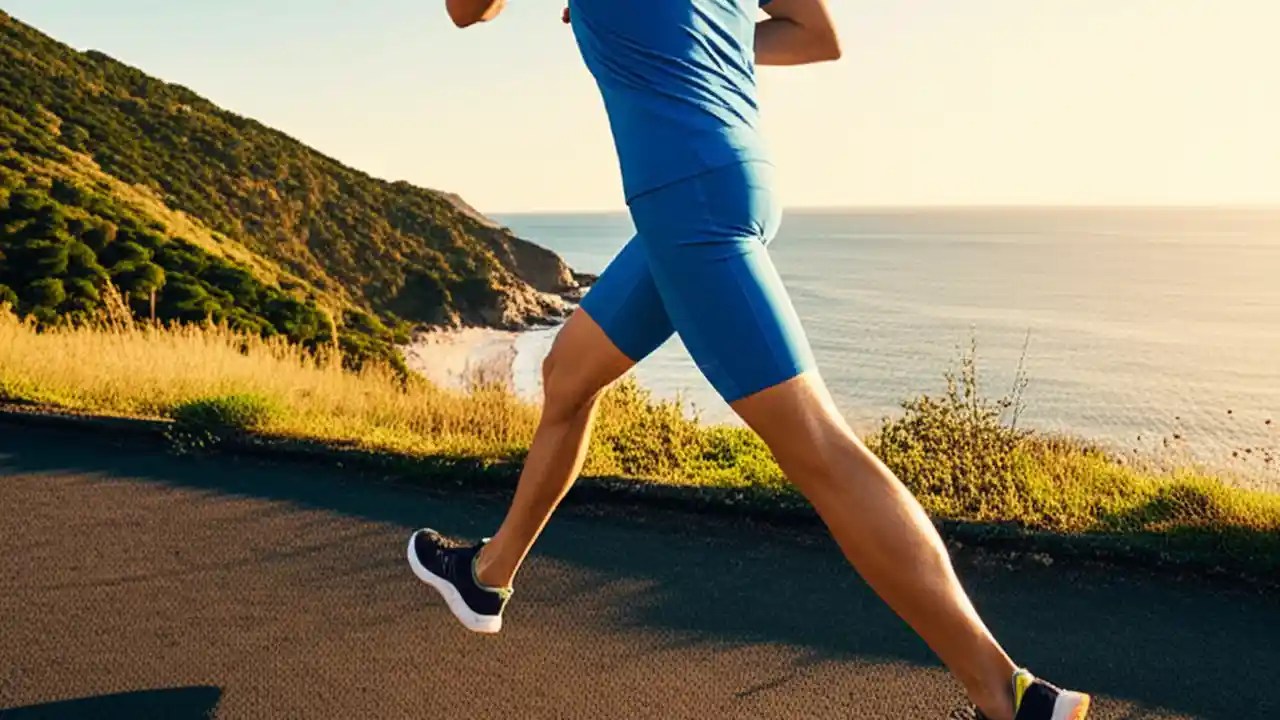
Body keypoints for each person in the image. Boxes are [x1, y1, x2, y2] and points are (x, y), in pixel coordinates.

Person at [406, 1, 1091, 718]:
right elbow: (817, 36)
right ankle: (488, 576)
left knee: (819, 449)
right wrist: (700, 38)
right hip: (735, 179)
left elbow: (466, 11)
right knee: (567, 375)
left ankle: (1007, 694)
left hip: (687, 206)